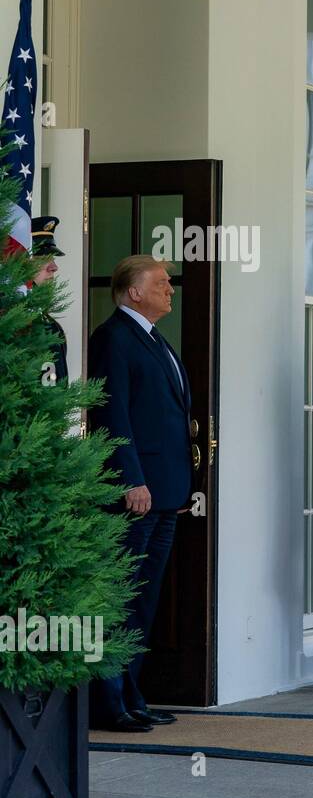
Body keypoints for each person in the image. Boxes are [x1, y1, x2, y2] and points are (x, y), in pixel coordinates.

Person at [87, 255, 192, 733]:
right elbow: (113, 416)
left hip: (166, 493)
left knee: (145, 600)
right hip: (137, 493)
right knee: (120, 597)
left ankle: (132, 693)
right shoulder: (113, 339)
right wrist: (131, 479)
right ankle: (107, 702)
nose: (170, 289)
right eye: (161, 283)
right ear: (133, 292)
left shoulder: (154, 339)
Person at [28, 216, 69, 384]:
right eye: (43, 259)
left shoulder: (50, 324)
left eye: (53, 259)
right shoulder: (10, 323)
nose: (54, 267)